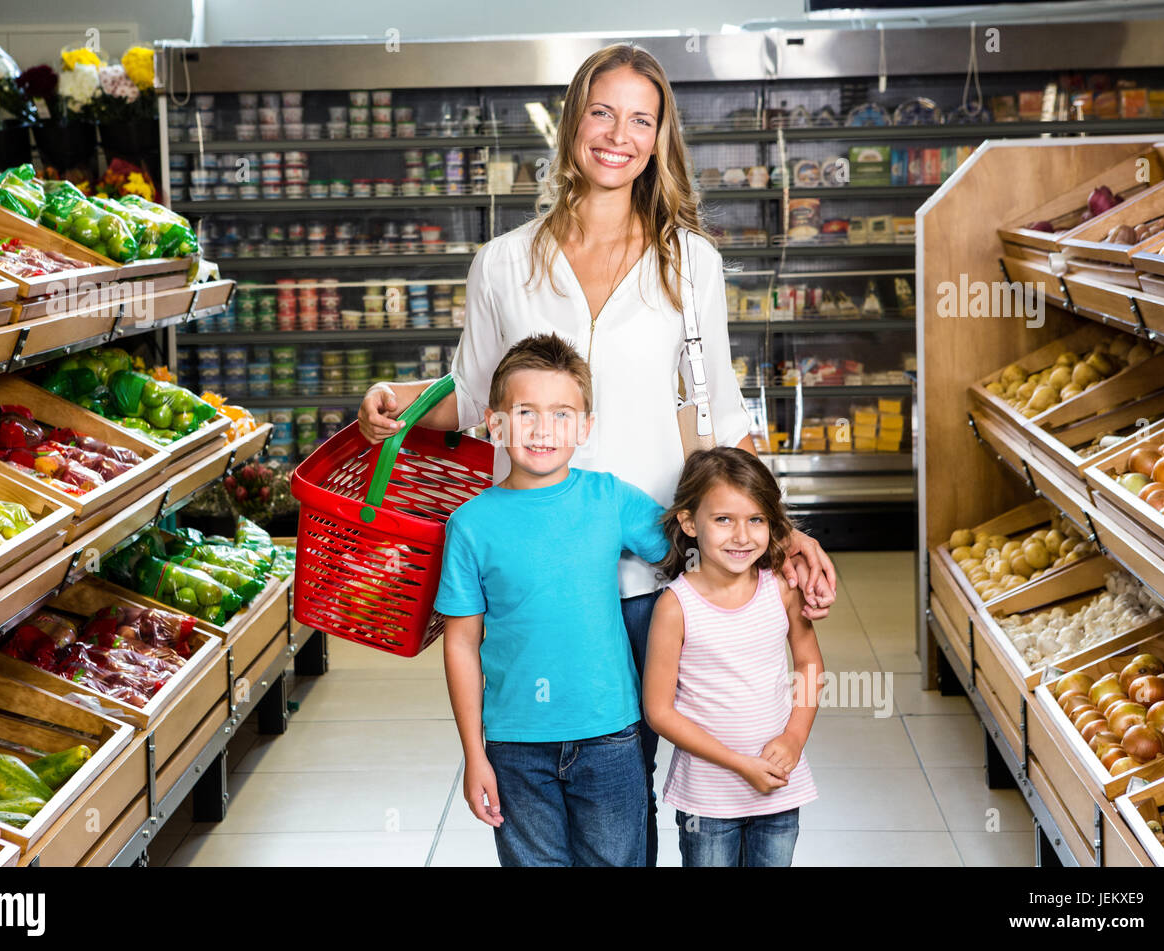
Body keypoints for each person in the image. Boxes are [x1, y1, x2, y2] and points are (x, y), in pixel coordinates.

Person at [358, 42, 837, 865]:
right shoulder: (503, 263)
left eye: (641, 118)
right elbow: (473, 399)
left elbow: (722, 410)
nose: (619, 134)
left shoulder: (694, 264)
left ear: (661, 137)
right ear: (576, 120)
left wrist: (786, 532)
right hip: (548, 583)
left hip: (662, 571)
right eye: (602, 112)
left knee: (640, 786)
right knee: (553, 774)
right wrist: (398, 404)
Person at [435, 332, 669, 866]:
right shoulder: (470, 525)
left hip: (609, 734)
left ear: (586, 427)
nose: (544, 430)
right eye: (525, 412)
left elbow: (689, 545)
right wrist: (475, 754)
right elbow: (461, 645)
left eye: (563, 414)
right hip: (514, 745)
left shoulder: (609, 498)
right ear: (494, 424)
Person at [643, 447, 822, 867]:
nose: (742, 536)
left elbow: (810, 665)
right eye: (724, 519)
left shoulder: (781, 588)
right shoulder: (675, 607)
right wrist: (741, 765)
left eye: (756, 520)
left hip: (779, 788)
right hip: (707, 801)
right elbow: (659, 711)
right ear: (689, 521)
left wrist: (794, 737)